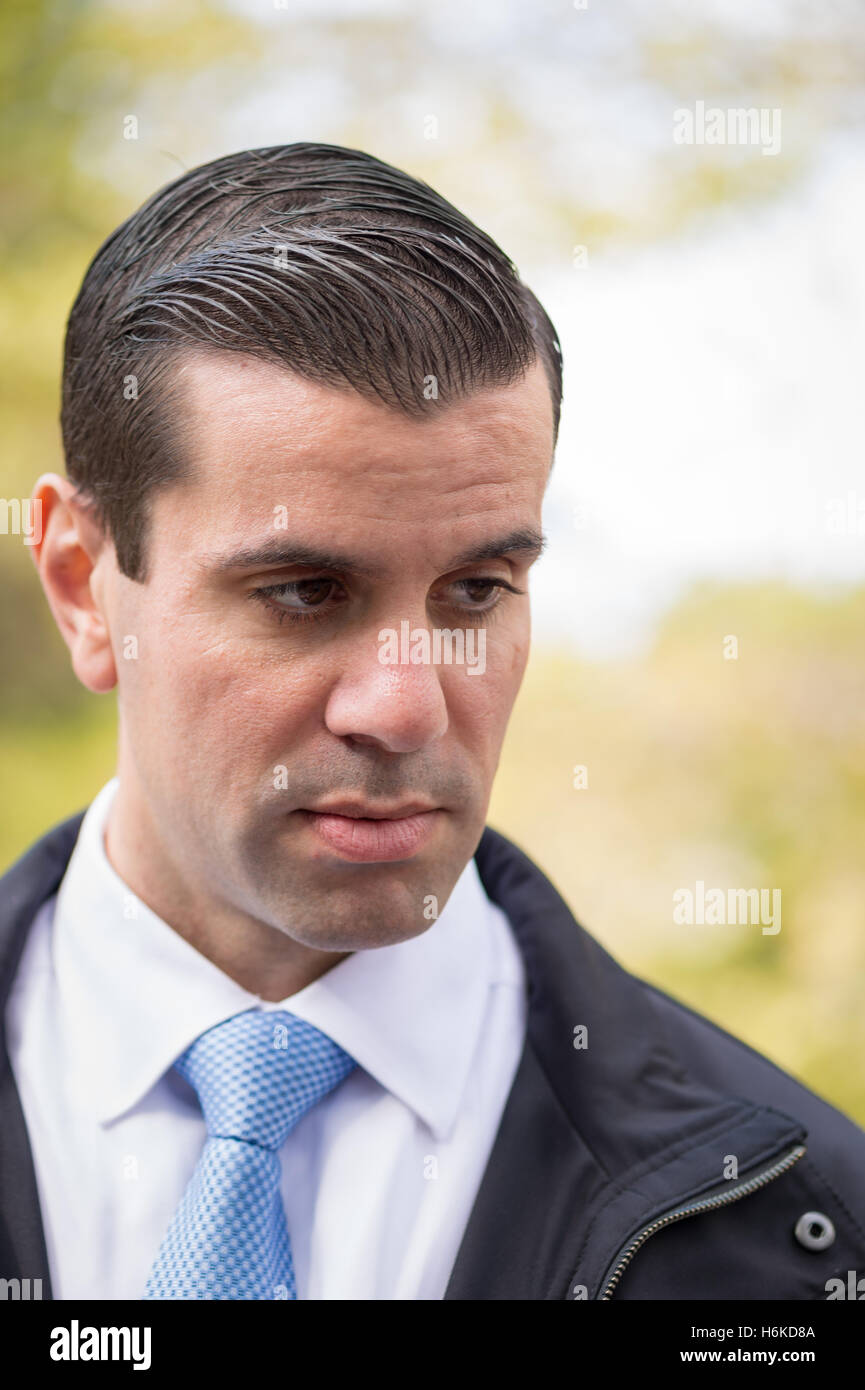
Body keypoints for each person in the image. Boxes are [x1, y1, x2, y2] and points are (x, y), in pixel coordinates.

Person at [1, 142, 863, 1302]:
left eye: (475, 590)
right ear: (79, 584)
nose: (406, 707)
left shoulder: (805, 1237)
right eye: (302, 593)